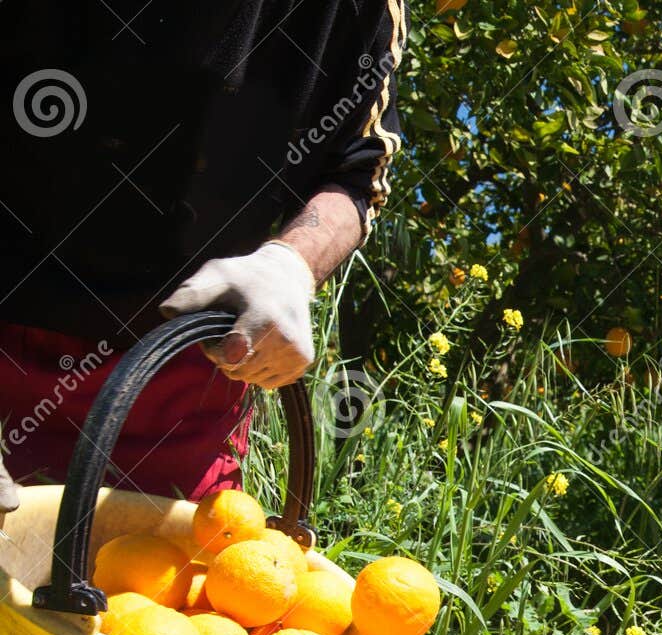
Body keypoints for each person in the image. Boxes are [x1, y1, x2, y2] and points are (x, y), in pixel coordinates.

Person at [0, 2, 407, 514]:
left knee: (180, 587)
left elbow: (356, 171)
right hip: (8, 340)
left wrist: (290, 265)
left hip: (186, 387)